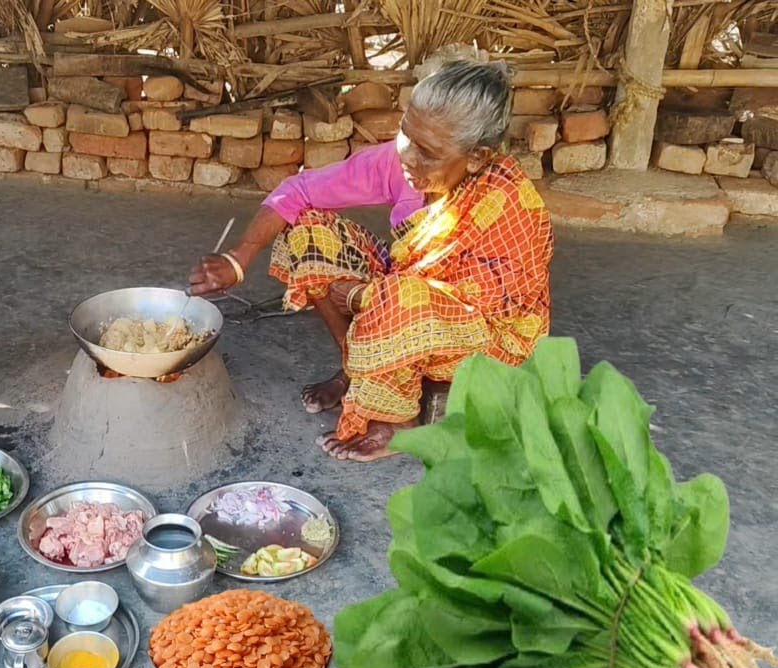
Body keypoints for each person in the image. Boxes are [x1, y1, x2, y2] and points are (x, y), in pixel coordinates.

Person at [189, 60, 553, 462]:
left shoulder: (509, 203)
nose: (409, 158)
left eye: (429, 153)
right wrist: (239, 257)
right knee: (310, 233)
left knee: (399, 300)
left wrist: (366, 296)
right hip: (404, 296)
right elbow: (298, 192)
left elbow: (487, 307)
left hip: (488, 336)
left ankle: (398, 421)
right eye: (406, 135)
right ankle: (355, 369)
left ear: (477, 157)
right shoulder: (403, 160)